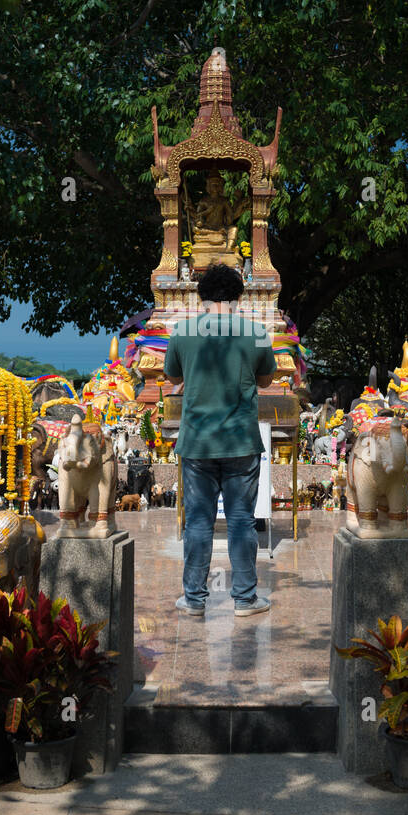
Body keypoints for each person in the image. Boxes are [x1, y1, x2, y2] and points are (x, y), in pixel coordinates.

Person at [164, 262, 276, 616]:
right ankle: (244, 599)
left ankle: (195, 599)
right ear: (239, 297)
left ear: (201, 297)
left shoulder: (182, 332)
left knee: (198, 521)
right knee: (242, 520)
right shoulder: (256, 333)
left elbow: (172, 376)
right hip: (241, 441)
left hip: (197, 441)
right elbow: (266, 381)